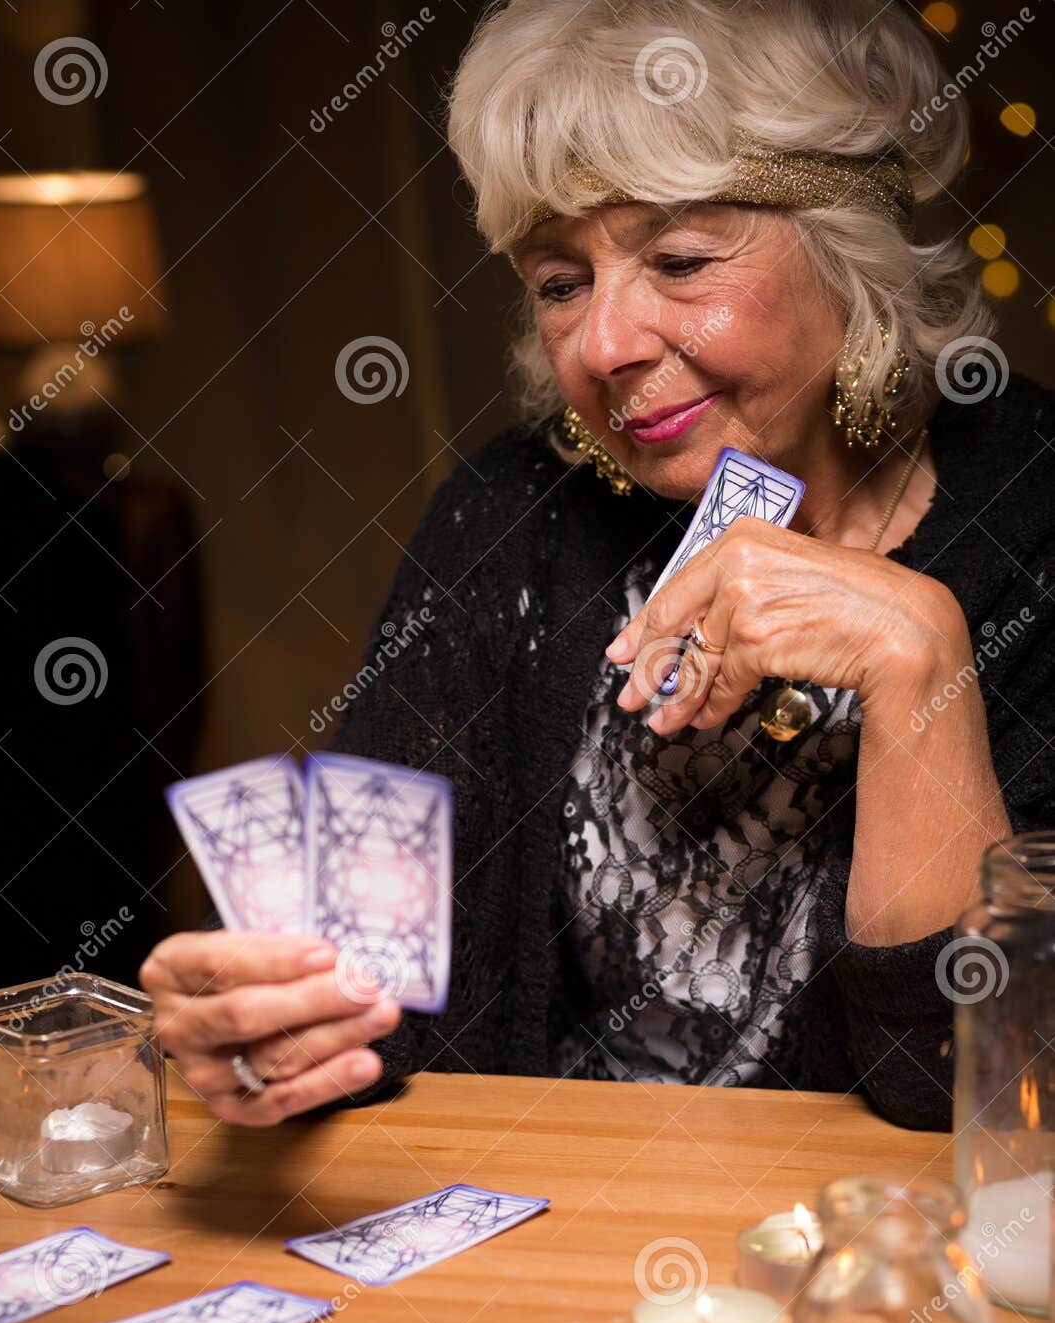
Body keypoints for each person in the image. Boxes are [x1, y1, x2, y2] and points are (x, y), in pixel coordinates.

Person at [140, 0, 1055, 1131]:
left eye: (678, 259)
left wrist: (918, 663)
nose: (602, 345)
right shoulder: (508, 514)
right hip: (555, 1210)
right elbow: (375, 992)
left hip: (863, 1235)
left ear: (848, 251)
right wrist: (272, 1023)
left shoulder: (1034, 526)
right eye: (559, 281)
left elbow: (971, 1100)